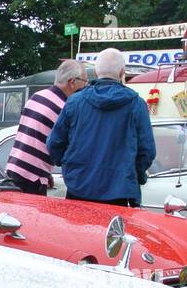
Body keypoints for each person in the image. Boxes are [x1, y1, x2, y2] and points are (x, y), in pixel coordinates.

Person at [47, 48, 155, 207]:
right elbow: (147, 151)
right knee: (114, 233)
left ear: (96, 73)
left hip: (79, 190)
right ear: (122, 72)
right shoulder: (136, 104)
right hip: (120, 194)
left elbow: (54, 143)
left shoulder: (74, 102)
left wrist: (72, 167)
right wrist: (133, 175)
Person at [4, 59, 86, 195]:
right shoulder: (64, 108)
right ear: (72, 82)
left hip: (14, 169)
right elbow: (65, 147)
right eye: (85, 82)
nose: (85, 87)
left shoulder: (36, 97)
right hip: (33, 179)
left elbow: (33, 137)